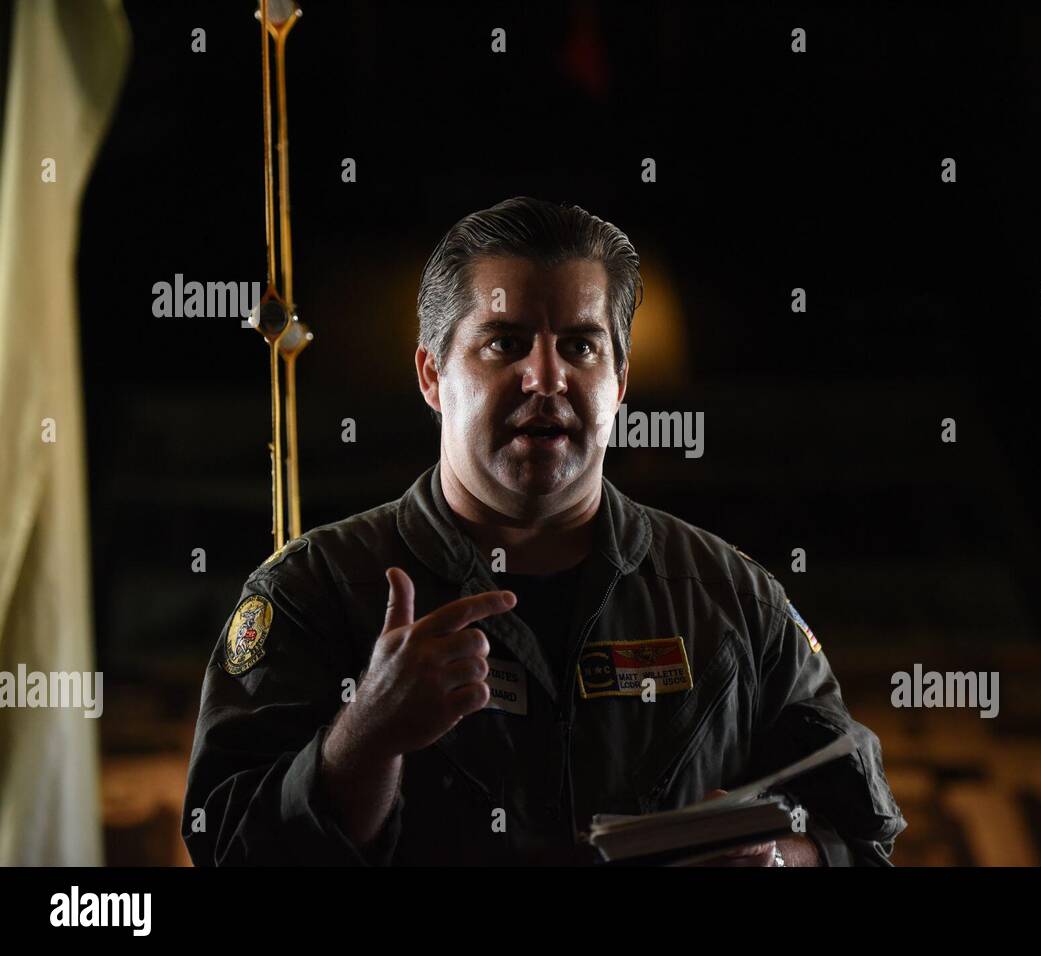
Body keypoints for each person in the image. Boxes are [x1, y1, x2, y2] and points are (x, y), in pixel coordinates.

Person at [182, 196, 906, 866]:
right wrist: (364, 740)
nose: (547, 377)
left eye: (582, 346)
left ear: (619, 383)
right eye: (505, 343)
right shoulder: (316, 592)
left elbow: (860, 825)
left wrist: (781, 858)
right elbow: (225, 846)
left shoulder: (731, 597)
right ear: (433, 376)